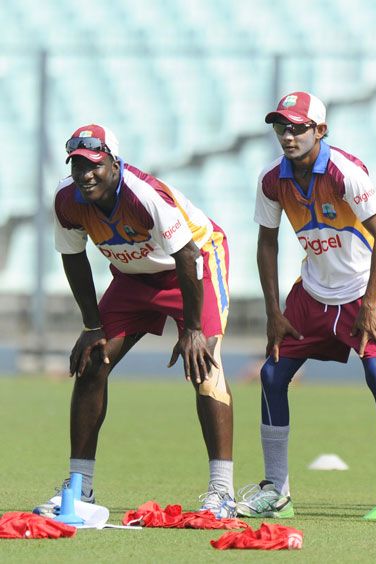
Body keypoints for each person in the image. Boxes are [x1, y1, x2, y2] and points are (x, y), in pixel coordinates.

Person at [236, 92, 376, 523]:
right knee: (271, 374)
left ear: (320, 130)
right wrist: (273, 310)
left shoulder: (345, 173)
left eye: (299, 127)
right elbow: (267, 242)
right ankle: (277, 490)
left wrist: (372, 304)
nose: (288, 135)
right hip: (312, 293)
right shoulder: (271, 180)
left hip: (363, 291)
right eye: (282, 127)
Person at [36, 124, 236, 518]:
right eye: (77, 165)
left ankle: (222, 493)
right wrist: (91, 325)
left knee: (205, 368)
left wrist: (193, 330)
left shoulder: (144, 195)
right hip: (132, 276)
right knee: (93, 362)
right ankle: (81, 487)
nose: (85, 174)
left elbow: (188, 257)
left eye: (94, 164)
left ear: (113, 162)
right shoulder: (66, 199)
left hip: (193, 268)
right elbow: (72, 257)